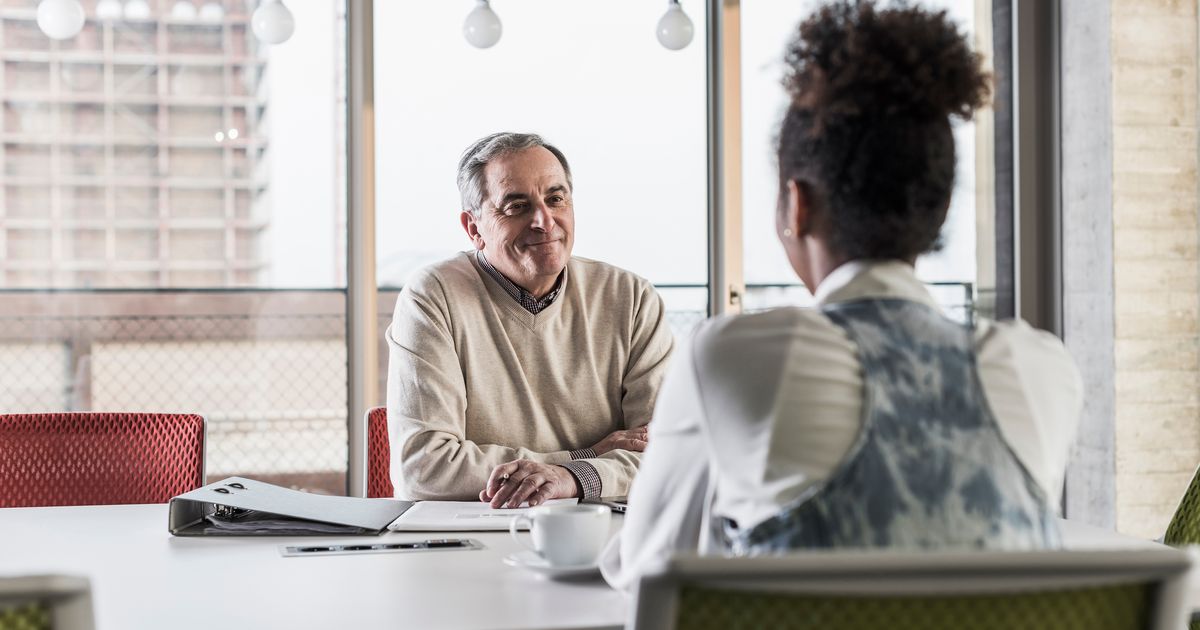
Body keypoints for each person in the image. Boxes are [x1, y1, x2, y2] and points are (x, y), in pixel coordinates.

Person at [601, 0, 1082, 591]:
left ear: (797, 206)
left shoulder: (736, 357)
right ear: (938, 208)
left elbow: (652, 571)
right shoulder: (1040, 369)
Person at [385, 132, 675, 507]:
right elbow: (423, 469)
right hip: (474, 533)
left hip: (599, 530)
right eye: (516, 206)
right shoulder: (433, 296)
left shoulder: (632, 298)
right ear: (474, 228)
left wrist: (570, 478)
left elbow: (671, 453)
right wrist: (580, 462)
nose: (543, 220)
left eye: (555, 199)